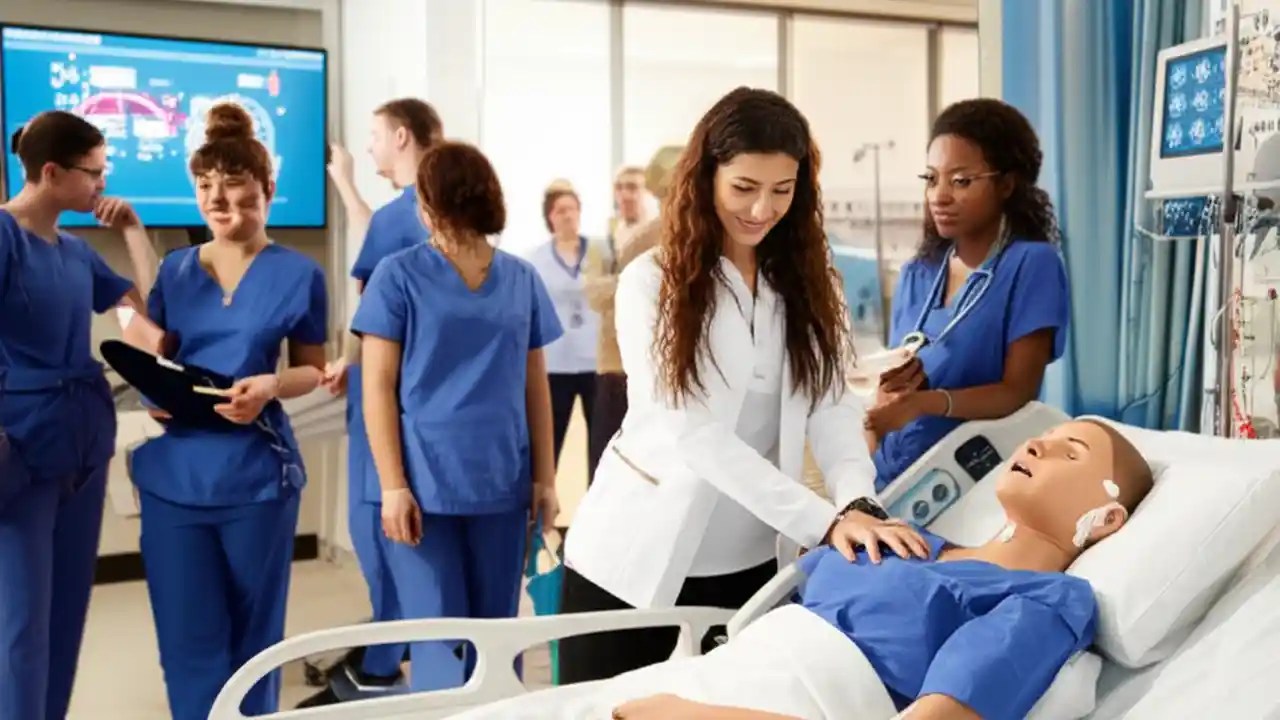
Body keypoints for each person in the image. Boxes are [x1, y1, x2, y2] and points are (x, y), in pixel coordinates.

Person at [558, 87, 930, 685]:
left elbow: (831, 405)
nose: (762, 209)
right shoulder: (651, 282)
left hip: (752, 561)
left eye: (782, 191)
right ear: (706, 178)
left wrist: (856, 499)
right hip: (631, 557)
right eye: (744, 188)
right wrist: (824, 522)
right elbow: (691, 432)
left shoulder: (811, 283)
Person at [461, 419, 1154, 720]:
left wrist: (692, 716)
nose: (1039, 442)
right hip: (701, 680)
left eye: (1071, 453)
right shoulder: (909, 539)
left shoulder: (1042, 600)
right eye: (1050, 434)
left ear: (1108, 519)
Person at [128, 103, 328, 720]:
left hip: (256, 477)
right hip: (175, 477)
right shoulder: (175, 271)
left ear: (268, 191)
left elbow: (312, 369)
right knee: (186, 638)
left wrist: (269, 385)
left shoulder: (300, 274)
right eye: (210, 196)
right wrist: (154, 393)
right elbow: (152, 359)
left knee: (253, 640)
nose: (225, 208)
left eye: (241, 196)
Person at [352, 140, 562, 692]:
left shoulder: (520, 279)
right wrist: (393, 486)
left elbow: (534, 385)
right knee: (440, 637)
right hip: (421, 487)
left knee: (496, 638)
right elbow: (376, 385)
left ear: (431, 200)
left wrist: (546, 477)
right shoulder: (398, 276)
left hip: (499, 481)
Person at [0, 111, 157, 720]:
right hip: (21, 451)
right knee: (23, 628)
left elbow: (152, 311)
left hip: (84, 446)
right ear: (50, 172)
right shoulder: (6, 237)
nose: (102, 185)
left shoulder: (74, 252)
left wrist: (135, 231)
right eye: (94, 173)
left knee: (67, 617)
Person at [308, 97, 443, 704]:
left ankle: (383, 670)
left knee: (381, 536)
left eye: (375, 137)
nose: (370, 148)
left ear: (402, 136)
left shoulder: (398, 220)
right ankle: (392, 658)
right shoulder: (448, 219)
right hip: (437, 412)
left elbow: (373, 314)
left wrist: (352, 358)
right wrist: (344, 183)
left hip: (383, 402)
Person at [865, 98, 1071, 491]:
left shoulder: (1031, 266)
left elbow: (1018, 392)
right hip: (886, 471)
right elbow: (890, 388)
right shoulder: (917, 274)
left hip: (964, 480)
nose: (939, 196)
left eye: (960, 181)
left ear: (1006, 185)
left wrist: (923, 404)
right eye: (931, 179)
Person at [582, 162, 667, 483]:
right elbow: (593, 294)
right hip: (611, 363)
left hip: (650, 363)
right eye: (620, 187)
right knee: (604, 459)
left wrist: (617, 283)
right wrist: (638, 283)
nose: (626, 194)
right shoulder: (601, 242)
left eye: (633, 186)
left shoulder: (659, 233)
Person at [527, 181, 598, 467]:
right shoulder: (536, 260)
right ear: (550, 218)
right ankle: (543, 506)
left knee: (601, 445)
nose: (567, 215)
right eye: (560, 210)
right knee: (549, 443)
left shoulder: (601, 252)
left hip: (596, 362)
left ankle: (600, 510)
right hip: (555, 363)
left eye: (572, 208)